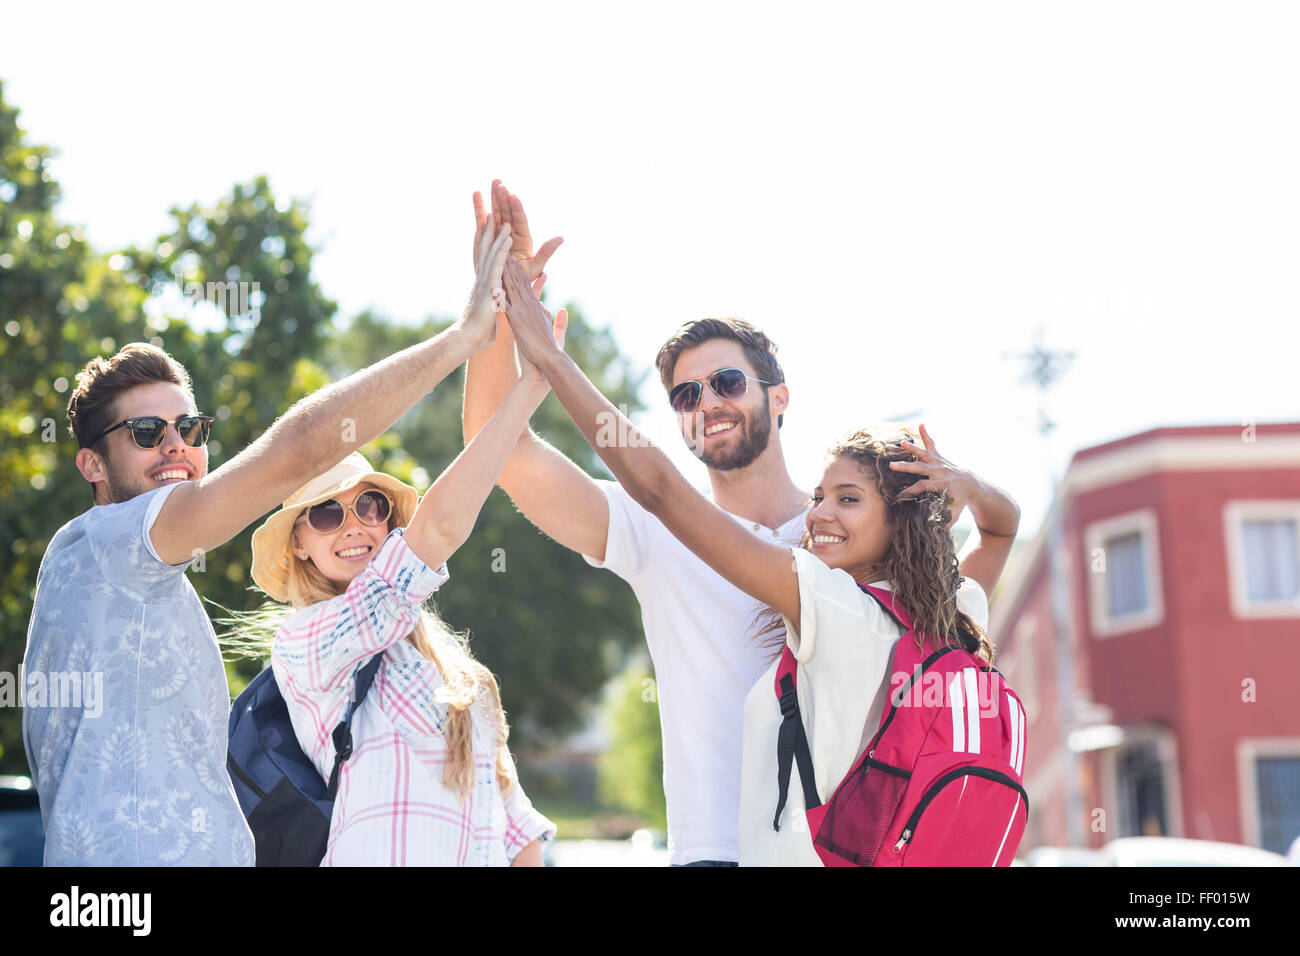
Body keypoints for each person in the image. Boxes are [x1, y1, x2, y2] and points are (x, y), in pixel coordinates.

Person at [23, 213, 520, 866]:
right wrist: (464, 339)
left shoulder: (150, 590)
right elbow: (302, 449)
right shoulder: (106, 544)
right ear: (91, 464)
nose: (175, 446)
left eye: (190, 429)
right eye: (146, 433)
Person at [498, 255, 1021, 864]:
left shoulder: (822, 593)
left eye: (849, 500)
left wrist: (550, 357)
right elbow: (1001, 531)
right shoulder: (940, 612)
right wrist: (971, 486)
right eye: (685, 395)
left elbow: (661, 490)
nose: (821, 517)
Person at [461, 183, 821, 864]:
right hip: (714, 851)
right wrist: (503, 311)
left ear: (779, 396)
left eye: (727, 383)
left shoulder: (846, 527)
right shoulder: (651, 527)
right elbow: (496, 448)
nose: (707, 402)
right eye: (686, 395)